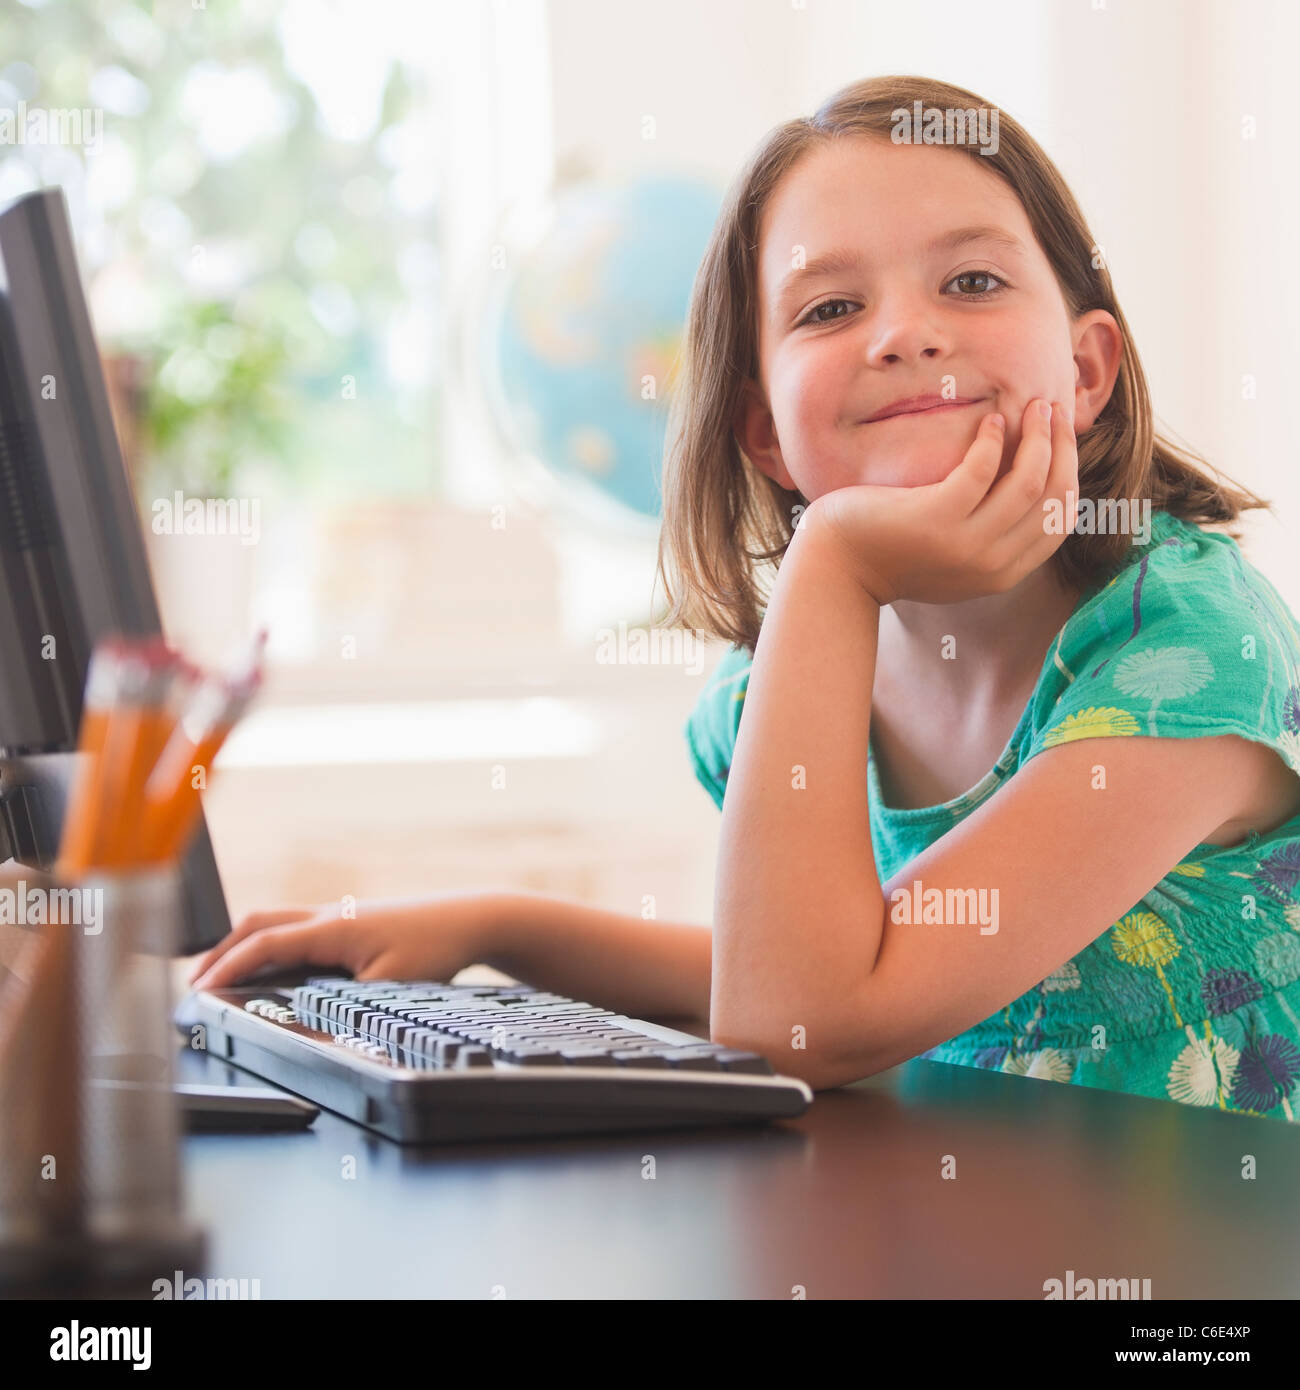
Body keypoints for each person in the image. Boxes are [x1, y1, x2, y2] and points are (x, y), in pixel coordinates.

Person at [189, 75, 1300, 1120]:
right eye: (828, 307)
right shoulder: (784, 687)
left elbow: (803, 1021)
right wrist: (491, 925)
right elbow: (810, 959)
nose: (904, 332)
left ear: (1088, 370)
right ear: (764, 429)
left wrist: (833, 561)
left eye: (970, 281)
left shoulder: (1186, 649)